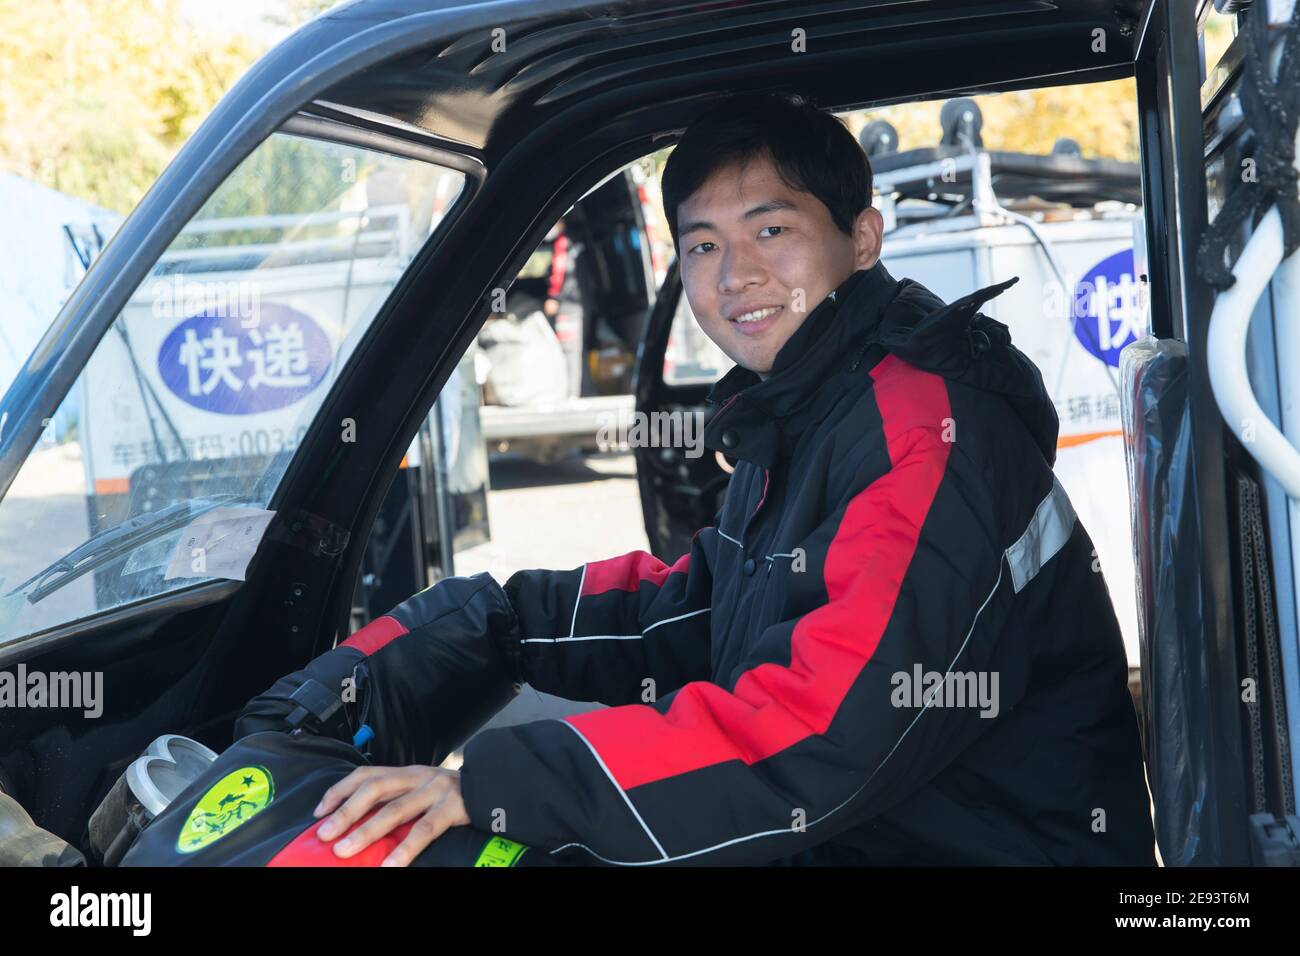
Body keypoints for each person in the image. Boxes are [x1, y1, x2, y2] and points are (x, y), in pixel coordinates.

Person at [304, 92, 1156, 866]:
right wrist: (497, 625)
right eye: (703, 245)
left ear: (861, 239)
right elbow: (715, 606)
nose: (734, 274)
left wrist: (491, 790)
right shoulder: (815, 399)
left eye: (771, 231)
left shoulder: (920, 429)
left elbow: (820, 728)